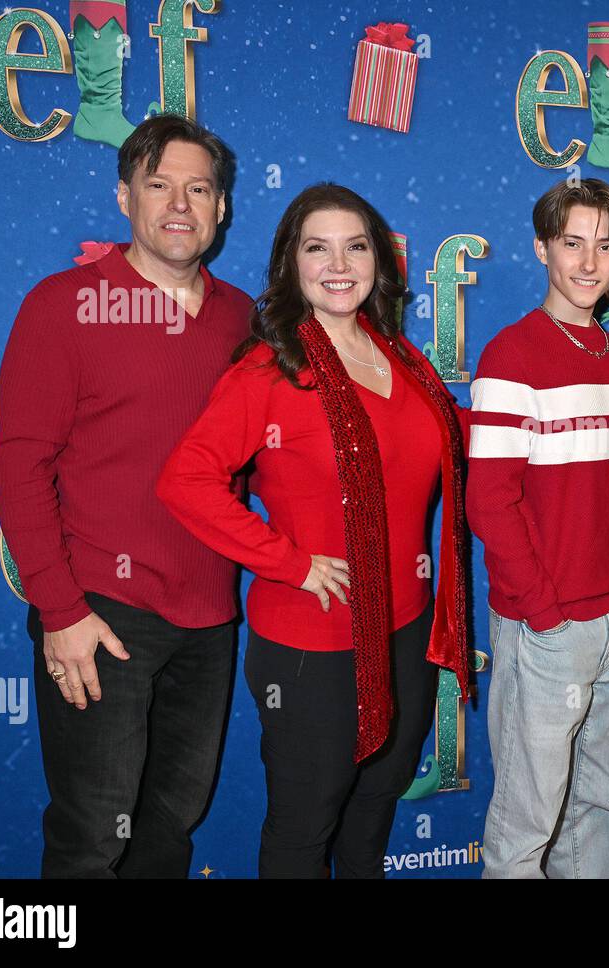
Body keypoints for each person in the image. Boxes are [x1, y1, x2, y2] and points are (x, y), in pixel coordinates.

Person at [156, 183, 470, 878]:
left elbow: (453, 446)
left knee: (373, 810)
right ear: (290, 264)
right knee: (306, 826)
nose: (338, 263)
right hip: (313, 641)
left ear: (378, 262)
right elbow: (185, 482)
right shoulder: (270, 369)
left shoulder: (404, 361)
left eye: (355, 246)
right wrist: (289, 563)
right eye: (316, 247)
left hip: (406, 626)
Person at [0, 115, 251, 878]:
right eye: (159, 185)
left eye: (198, 188)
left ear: (221, 207)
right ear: (124, 198)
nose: (180, 204)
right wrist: (62, 613)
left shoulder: (242, 319)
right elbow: (16, 465)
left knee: (168, 829)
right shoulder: (65, 303)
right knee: (91, 841)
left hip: (209, 617)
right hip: (99, 613)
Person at [468, 178, 609, 878]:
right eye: (572, 242)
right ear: (542, 248)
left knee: (592, 806)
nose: (588, 261)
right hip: (547, 626)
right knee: (526, 822)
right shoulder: (512, 355)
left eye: (605, 245)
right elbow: (490, 501)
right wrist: (543, 612)